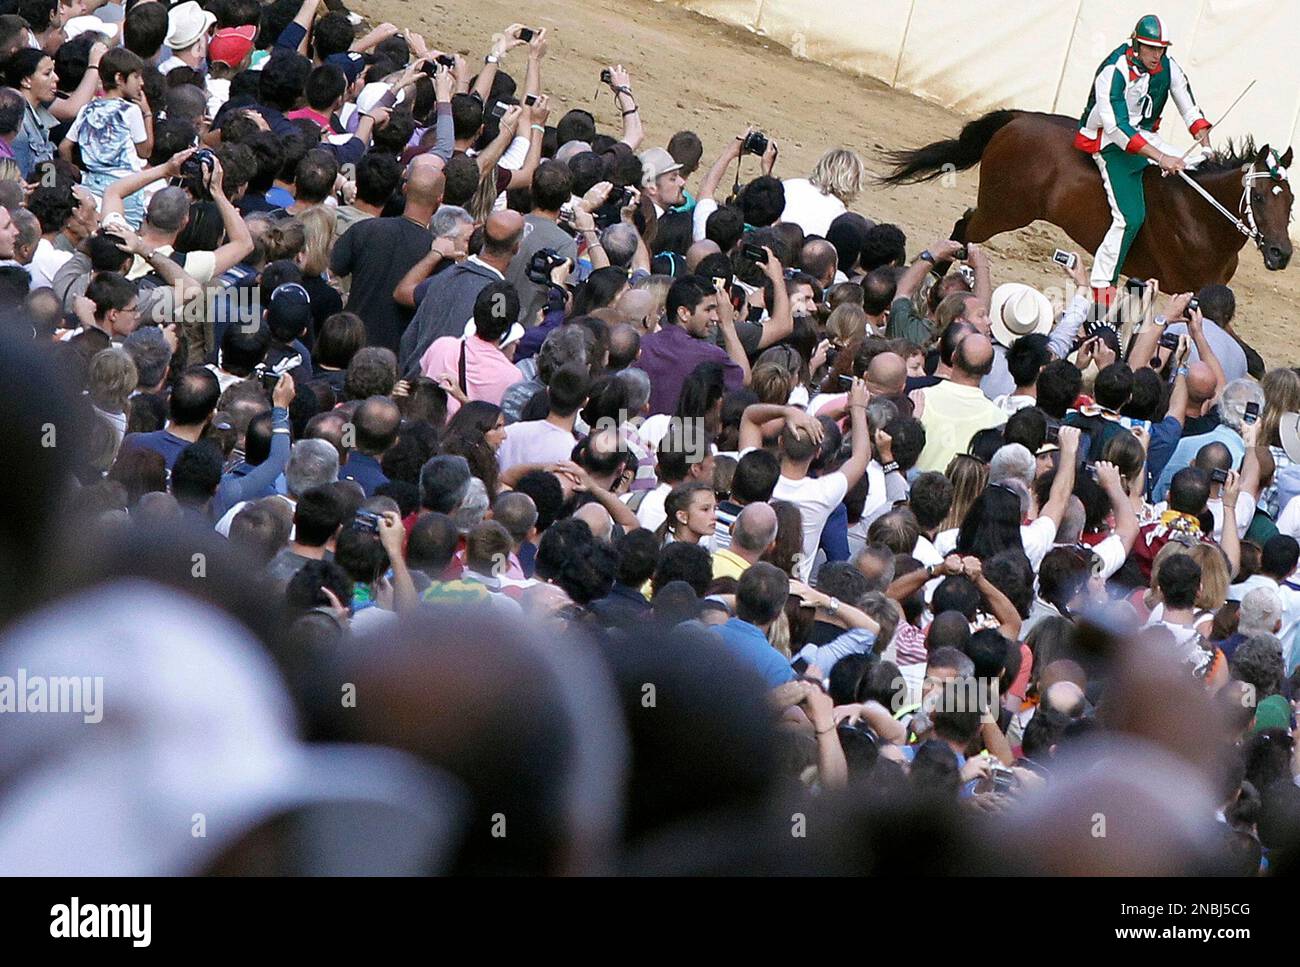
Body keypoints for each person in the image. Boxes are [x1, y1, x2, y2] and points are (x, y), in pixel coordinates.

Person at [1074, 14, 1210, 302]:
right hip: (1108, 140)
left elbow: (1188, 106)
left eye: (1160, 49)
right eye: (1150, 48)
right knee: (1129, 216)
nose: (1156, 55)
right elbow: (1118, 129)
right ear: (1135, 45)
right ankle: (1101, 286)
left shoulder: (1168, 68)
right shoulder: (1113, 70)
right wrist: (1161, 157)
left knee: (1193, 171)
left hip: (1145, 135)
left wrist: (1203, 139)